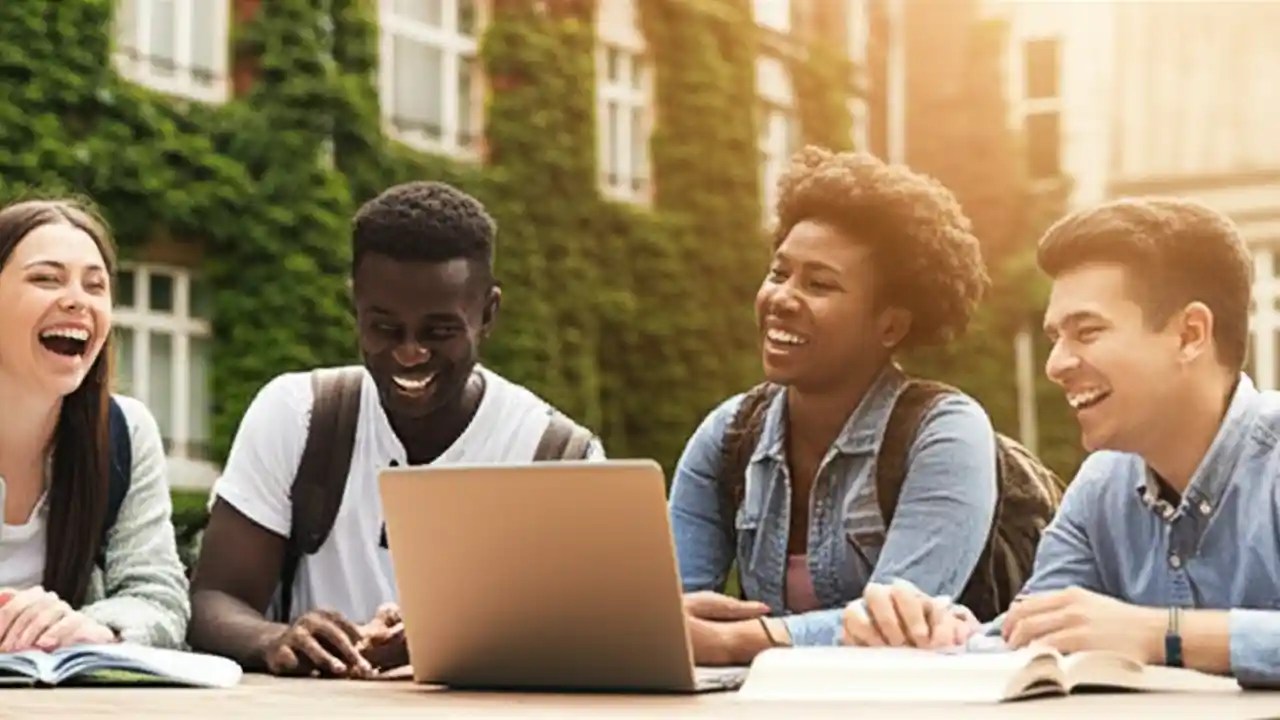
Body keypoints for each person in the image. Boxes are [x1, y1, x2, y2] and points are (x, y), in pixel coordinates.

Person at [842, 197, 1280, 688]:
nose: (1055, 365)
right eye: (1055, 338)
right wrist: (934, 636)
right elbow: (1035, 638)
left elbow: (1134, 633)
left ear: (1190, 334)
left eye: (1087, 332)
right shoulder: (1101, 486)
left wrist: (1163, 635)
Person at [187, 181, 603, 678]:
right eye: (383, 327)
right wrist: (273, 638)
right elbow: (213, 598)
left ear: (488, 314)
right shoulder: (298, 414)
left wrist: (441, 645)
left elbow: (589, 637)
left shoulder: (558, 456)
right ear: (355, 307)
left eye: (439, 332)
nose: (409, 353)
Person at [667, 146, 1003, 665]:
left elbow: (899, 627)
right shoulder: (730, 433)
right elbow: (668, 612)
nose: (782, 298)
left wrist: (739, 640)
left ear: (890, 324)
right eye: (779, 274)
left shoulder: (944, 434)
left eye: (819, 284)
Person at [0, 198, 189, 652]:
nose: (76, 300)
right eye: (46, 279)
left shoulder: (123, 434)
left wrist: (93, 629)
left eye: (95, 286)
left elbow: (160, 599)